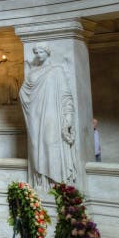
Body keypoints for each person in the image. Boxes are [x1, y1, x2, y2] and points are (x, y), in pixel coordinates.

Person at [19, 44, 77, 190]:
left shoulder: (57, 71)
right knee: (36, 146)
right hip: (35, 116)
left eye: (41, 52)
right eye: (36, 52)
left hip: (52, 114)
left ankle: (56, 183)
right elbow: (23, 92)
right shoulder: (33, 72)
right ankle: (41, 182)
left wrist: (68, 115)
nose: (38, 55)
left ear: (47, 53)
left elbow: (66, 95)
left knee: (51, 143)